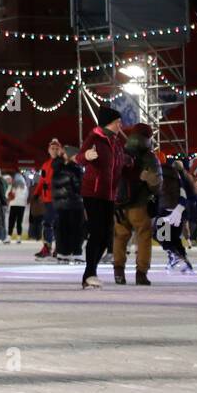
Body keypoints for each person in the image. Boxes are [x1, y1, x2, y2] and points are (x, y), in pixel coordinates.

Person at [74, 106, 126, 289]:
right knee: (97, 233)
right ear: (109, 123)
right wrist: (86, 156)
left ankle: (90, 272)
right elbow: (79, 158)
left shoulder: (117, 143)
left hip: (110, 194)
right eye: (118, 122)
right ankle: (89, 274)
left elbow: (121, 163)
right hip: (94, 193)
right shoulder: (95, 138)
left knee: (106, 237)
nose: (121, 125)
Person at [113, 123, 158, 285]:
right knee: (144, 237)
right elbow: (156, 183)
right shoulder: (149, 156)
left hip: (119, 204)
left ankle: (118, 271)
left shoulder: (120, 153)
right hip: (140, 204)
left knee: (119, 237)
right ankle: (141, 273)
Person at [155, 155, 197, 274]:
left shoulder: (163, 174)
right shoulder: (185, 176)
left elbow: (158, 192)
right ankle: (183, 260)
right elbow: (194, 196)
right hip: (181, 211)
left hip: (166, 209)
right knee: (173, 237)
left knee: (161, 236)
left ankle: (175, 257)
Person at [51, 144, 84, 263]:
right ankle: (76, 253)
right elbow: (79, 187)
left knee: (62, 230)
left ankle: (63, 253)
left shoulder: (56, 169)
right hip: (73, 204)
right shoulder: (74, 169)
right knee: (76, 230)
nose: (78, 158)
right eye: (76, 156)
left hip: (60, 205)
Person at [33, 139, 61, 258]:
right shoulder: (46, 165)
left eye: (56, 149)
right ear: (48, 150)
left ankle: (58, 248)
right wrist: (36, 193)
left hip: (58, 199)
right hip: (48, 199)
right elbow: (42, 181)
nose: (54, 151)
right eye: (52, 148)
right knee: (48, 224)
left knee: (57, 224)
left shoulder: (61, 163)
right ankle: (47, 247)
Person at [7, 170, 28, 242]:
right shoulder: (25, 187)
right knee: (19, 222)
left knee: (11, 221)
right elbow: (26, 196)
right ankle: (19, 238)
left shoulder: (12, 186)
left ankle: (9, 237)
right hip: (22, 205)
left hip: (13, 204)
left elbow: (7, 194)